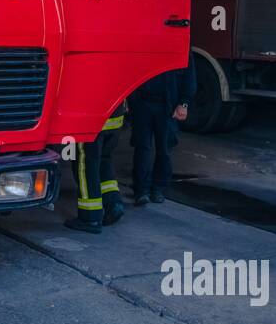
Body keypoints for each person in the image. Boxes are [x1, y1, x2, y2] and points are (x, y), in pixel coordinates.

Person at [127, 50, 196, 205]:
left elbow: (189, 78)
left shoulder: (181, 46)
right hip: (142, 104)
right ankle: (141, 190)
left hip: (168, 107)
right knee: (142, 147)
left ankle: (158, 188)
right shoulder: (144, 43)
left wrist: (183, 103)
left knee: (164, 149)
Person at [65, 102, 127, 233]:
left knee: (85, 166)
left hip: (91, 121)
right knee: (104, 160)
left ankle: (90, 218)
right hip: (115, 117)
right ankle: (114, 204)